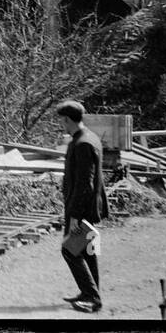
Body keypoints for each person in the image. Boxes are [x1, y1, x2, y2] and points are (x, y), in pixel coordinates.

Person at [58, 99, 109, 313]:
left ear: (68, 119)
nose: (61, 124)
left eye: (62, 120)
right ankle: (89, 292)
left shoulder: (82, 143)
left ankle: (92, 297)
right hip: (89, 206)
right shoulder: (89, 138)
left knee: (70, 250)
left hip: (82, 208)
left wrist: (75, 215)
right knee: (88, 250)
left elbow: (85, 184)